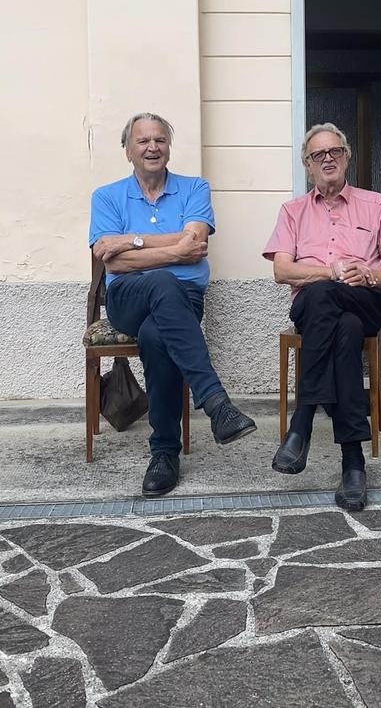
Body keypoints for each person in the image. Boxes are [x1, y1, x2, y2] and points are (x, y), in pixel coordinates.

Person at [89, 112, 256, 497]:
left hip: (183, 300)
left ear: (169, 146)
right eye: (143, 141)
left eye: (160, 140)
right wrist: (171, 248)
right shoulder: (107, 196)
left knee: (156, 334)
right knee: (163, 279)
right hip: (127, 297)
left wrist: (129, 242)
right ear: (128, 150)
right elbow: (111, 261)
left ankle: (164, 454)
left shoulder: (194, 188)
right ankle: (216, 404)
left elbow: (194, 245)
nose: (152, 147)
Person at [262, 122, 381, 511]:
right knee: (337, 320)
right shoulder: (292, 211)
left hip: (367, 299)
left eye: (334, 152)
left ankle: (303, 421)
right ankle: (353, 462)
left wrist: (369, 274)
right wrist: (330, 273)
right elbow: (282, 271)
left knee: (336, 302)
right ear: (308, 165)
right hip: (316, 309)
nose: (327, 159)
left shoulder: (377, 204)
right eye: (318, 155)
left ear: (346, 157)